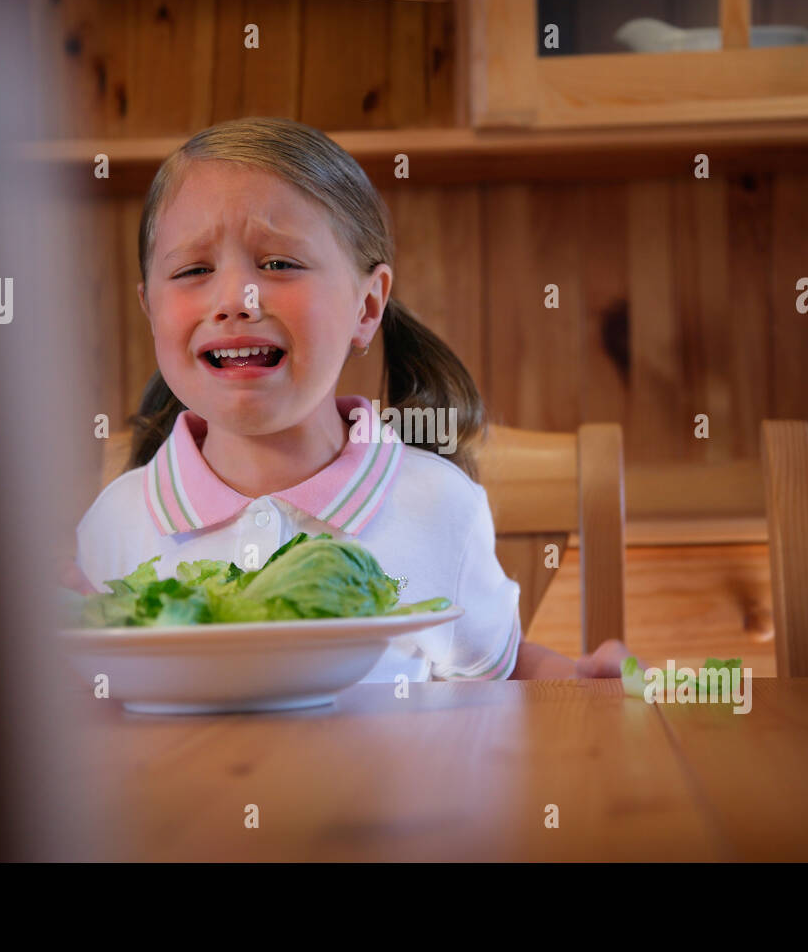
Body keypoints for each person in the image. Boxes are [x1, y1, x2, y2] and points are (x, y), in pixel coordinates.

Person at [68, 116, 634, 681]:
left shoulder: (439, 507)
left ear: (366, 308)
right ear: (150, 310)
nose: (235, 300)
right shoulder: (112, 526)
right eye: (193, 270)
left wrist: (583, 681)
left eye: (278, 264)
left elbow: (498, 677)